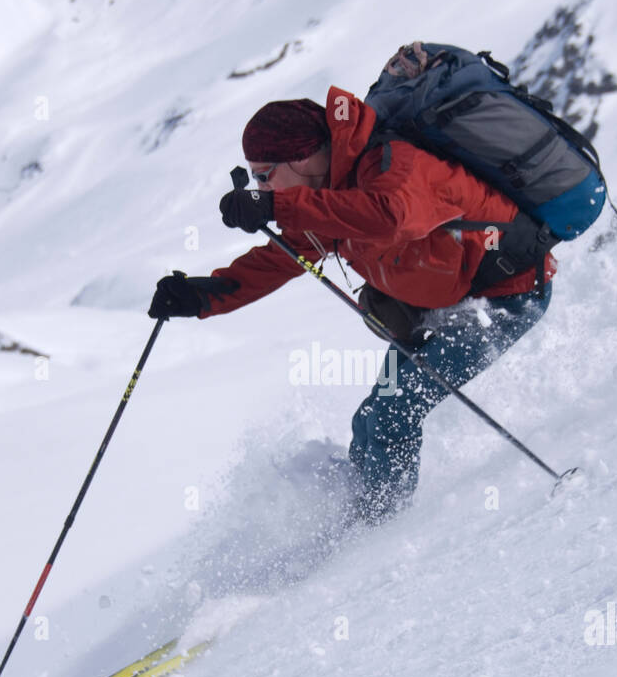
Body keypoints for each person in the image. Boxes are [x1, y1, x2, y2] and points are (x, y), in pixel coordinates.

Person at [147, 85, 557, 524]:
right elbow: (278, 259)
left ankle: (379, 536)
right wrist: (202, 295)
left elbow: (389, 215)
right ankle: (362, 520)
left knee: (391, 414)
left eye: (264, 174)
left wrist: (275, 204)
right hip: (446, 301)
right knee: (370, 421)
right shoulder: (332, 194)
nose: (261, 185)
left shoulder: (393, 166)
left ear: (302, 159)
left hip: (507, 294)